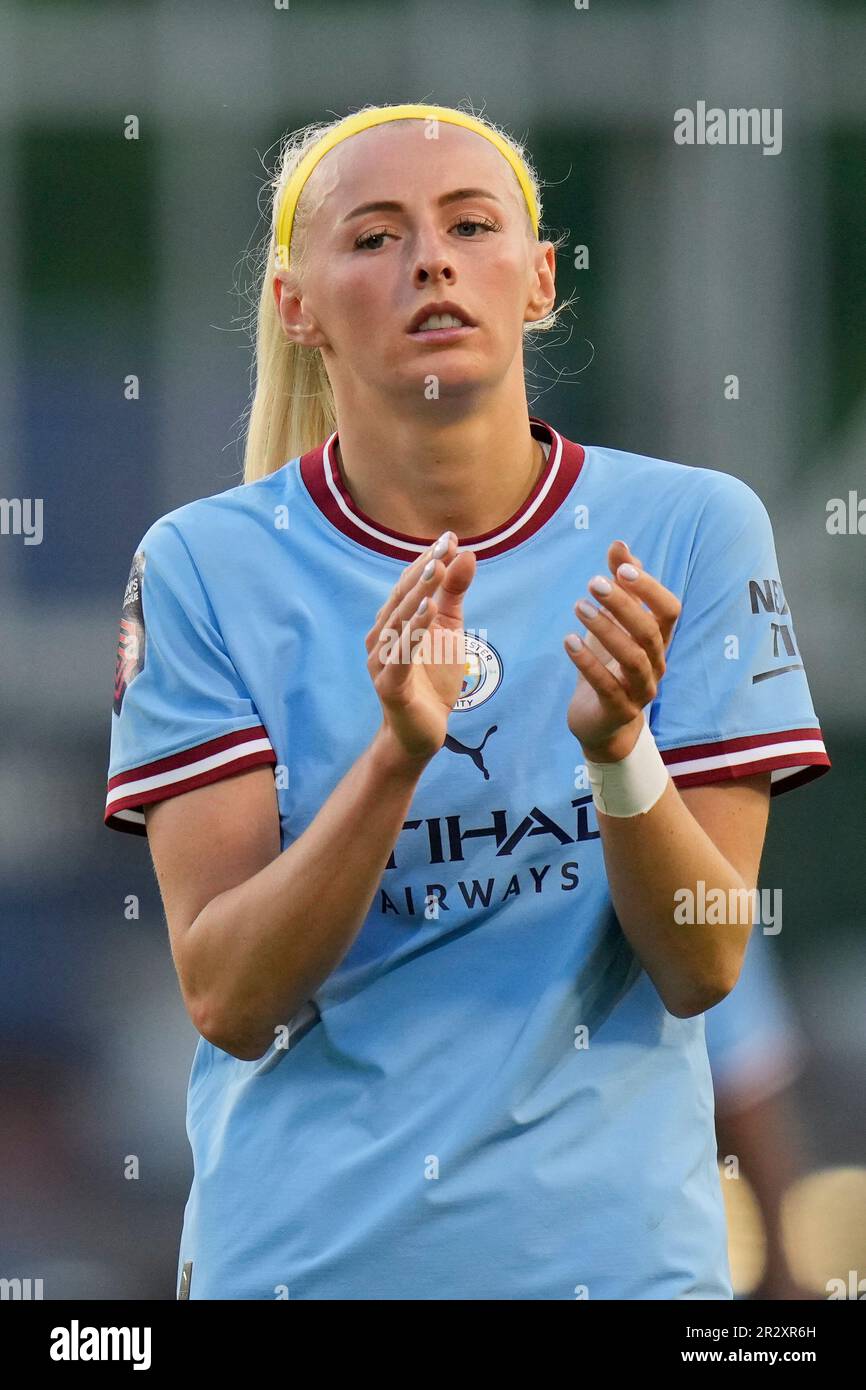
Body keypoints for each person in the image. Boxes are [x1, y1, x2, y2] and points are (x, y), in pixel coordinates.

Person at [104, 102, 831, 1300]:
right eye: (375, 236)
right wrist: (395, 756)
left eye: (469, 225)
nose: (429, 260)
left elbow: (702, 965)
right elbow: (228, 994)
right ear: (297, 305)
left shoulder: (690, 529)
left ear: (539, 279)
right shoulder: (202, 565)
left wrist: (617, 753)